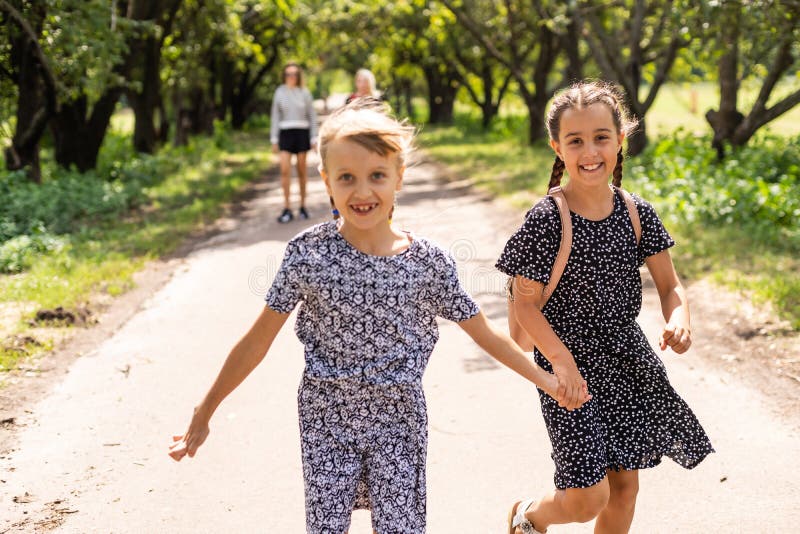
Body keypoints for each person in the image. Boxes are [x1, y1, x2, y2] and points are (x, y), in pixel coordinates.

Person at [168, 99, 590, 534]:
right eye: (346, 177)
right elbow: (256, 341)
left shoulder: (428, 262)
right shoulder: (307, 255)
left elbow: (484, 334)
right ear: (326, 180)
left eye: (376, 176)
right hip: (326, 421)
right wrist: (206, 409)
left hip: (400, 423)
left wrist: (547, 380)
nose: (362, 192)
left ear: (399, 178)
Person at [497, 81, 714, 534]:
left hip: (626, 361)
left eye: (601, 137)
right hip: (565, 366)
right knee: (585, 498)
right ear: (558, 147)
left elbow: (671, 285)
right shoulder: (547, 219)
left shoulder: (637, 212)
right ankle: (527, 516)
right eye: (575, 141)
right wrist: (562, 364)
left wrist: (680, 320)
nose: (590, 150)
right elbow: (526, 305)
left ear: (621, 140)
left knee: (624, 490)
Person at [270, 62, 318, 224]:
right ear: (284, 76)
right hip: (285, 133)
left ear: (298, 76)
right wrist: (274, 139)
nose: (291, 77)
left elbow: (312, 116)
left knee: (302, 171)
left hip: (302, 132)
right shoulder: (279, 92)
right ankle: (286, 207)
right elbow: (275, 116)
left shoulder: (304, 93)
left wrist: (314, 137)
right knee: (284, 170)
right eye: (288, 74)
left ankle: (303, 206)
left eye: (294, 74)